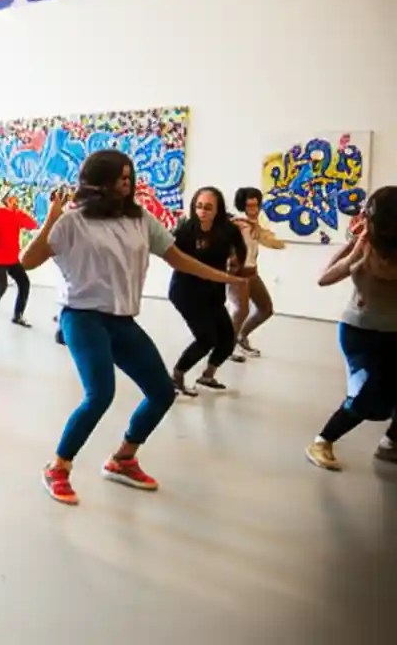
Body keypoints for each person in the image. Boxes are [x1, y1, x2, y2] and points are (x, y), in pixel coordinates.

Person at [20, 150, 245, 506]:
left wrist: (224, 277)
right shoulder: (72, 220)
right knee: (100, 395)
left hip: (122, 319)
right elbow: (28, 260)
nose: (126, 182)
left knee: (162, 392)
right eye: (119, 177)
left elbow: (178, 258)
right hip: (82, 317)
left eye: (129, 176)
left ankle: (123, 459)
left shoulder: (140, 219)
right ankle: (58, 467)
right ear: (99, 180)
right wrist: (50, 218)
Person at [305, 188, 397, 471]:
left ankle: (390, 443)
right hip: (361, 332)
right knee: (371, 396)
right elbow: (324, 278)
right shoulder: (363, 246)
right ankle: (322, 441)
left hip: (393, 332)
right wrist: (354, 249)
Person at [167, 187, 248, 395]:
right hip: (186, 292)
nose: (202, 211)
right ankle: (176, 376)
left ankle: (208, 375)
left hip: (213, 291)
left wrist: (236, 263)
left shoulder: (227, 229)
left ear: (218, 209)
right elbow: (174, 257)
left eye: (208, 208)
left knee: (227, 338)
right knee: (206, 338)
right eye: (199, 206)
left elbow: (241, 248)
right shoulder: (186, 231)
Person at [229, 187, 285, 358]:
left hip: (252, 272)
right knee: (241, 311)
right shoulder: (237, 225)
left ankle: (241, 336)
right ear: (243, 206)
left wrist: (259, 229)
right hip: (237, 274)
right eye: (249, 206)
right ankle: (226, 347)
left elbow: (275, 244)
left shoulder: (254, 226)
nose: (253, 210)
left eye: (256, 205)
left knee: (266, 308)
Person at [0, 192, 38, 331]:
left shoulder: (17, 215)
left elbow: (32, 225)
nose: (16, 202)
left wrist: (20, 214)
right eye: (12, 200)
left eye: (16, 200)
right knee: (1, 286)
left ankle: (18, 315)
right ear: (6, 201)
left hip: (12, 259)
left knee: (24, 283)